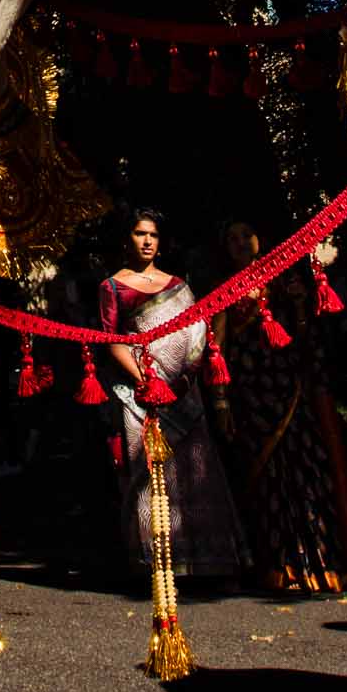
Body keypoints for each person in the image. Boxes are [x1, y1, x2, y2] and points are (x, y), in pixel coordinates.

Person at [214, 223, 347, 592]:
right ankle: (282, 565)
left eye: (245, 235)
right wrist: (220, 402)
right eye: (231, 239)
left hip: (289, 388)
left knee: (306, 470)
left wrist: (299, 304)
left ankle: (322, 560)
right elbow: (217, 350)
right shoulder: (222, 292)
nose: (239, 244)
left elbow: (306, 334)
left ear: (259, 238)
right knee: (269, 480)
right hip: (253, 396)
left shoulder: (280, 281)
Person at [99, 209, 244, 580]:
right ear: (126, 238)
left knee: (195, 472)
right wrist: (148, 381)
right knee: (150, 475)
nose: (147, 241)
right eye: (139, 233)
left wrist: (180, 382)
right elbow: (113, 341)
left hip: (184, 391)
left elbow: (198, 333)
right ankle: (158, 562)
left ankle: (207, 561)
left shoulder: (178, 284)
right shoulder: (114, 287)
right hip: (140, 396)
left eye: (153, 235)